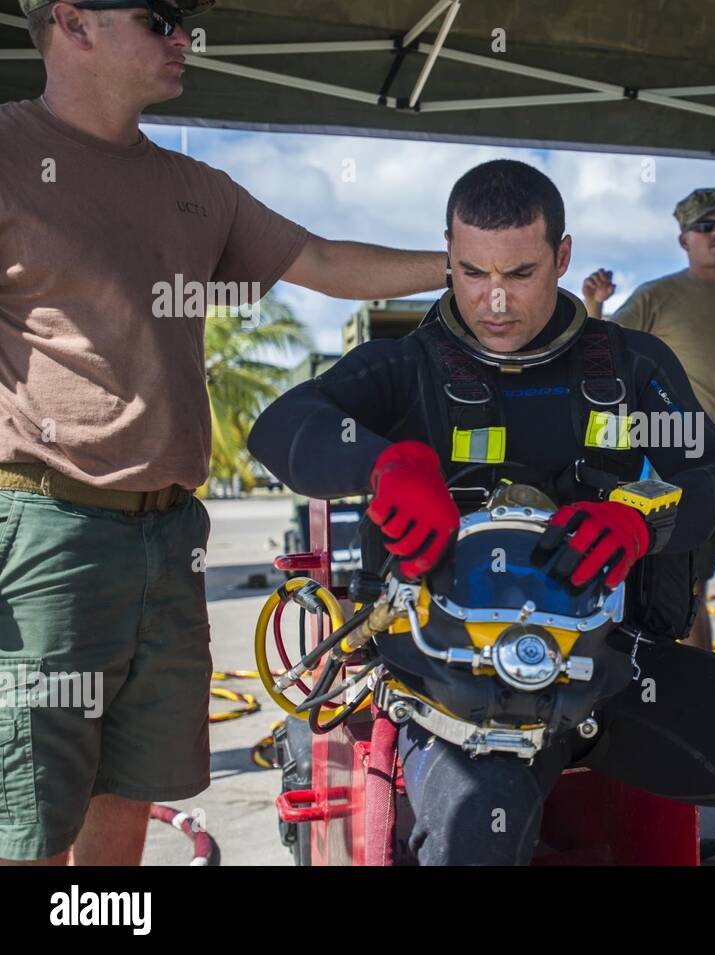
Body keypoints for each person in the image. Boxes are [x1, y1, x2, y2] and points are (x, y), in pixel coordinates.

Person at [248, 159, 715, 866]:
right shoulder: (406, 367)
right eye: (472, 273)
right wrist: (384, 466)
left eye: (521, 274)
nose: (495, 302)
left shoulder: (630, 365)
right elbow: (280, 426)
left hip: (614, 672)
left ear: (562, 256)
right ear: (448, 256)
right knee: (478, 820)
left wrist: (639, 521)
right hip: (452, 692)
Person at [0, 0, 448, 866]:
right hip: (47, 530)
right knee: (28, 822)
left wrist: (468, 266)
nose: (184, 37)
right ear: (74, 22)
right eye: (160, 15)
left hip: (171, 538)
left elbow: (319, 261)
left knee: (127, 796)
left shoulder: (194, 187)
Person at [581, 188, 715, 658]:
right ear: (683, 239)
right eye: (705, 227)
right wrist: (595, 307)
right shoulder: (657, 295)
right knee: (691, 582)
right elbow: (604, 352)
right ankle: (702, 685)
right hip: (683, 452)